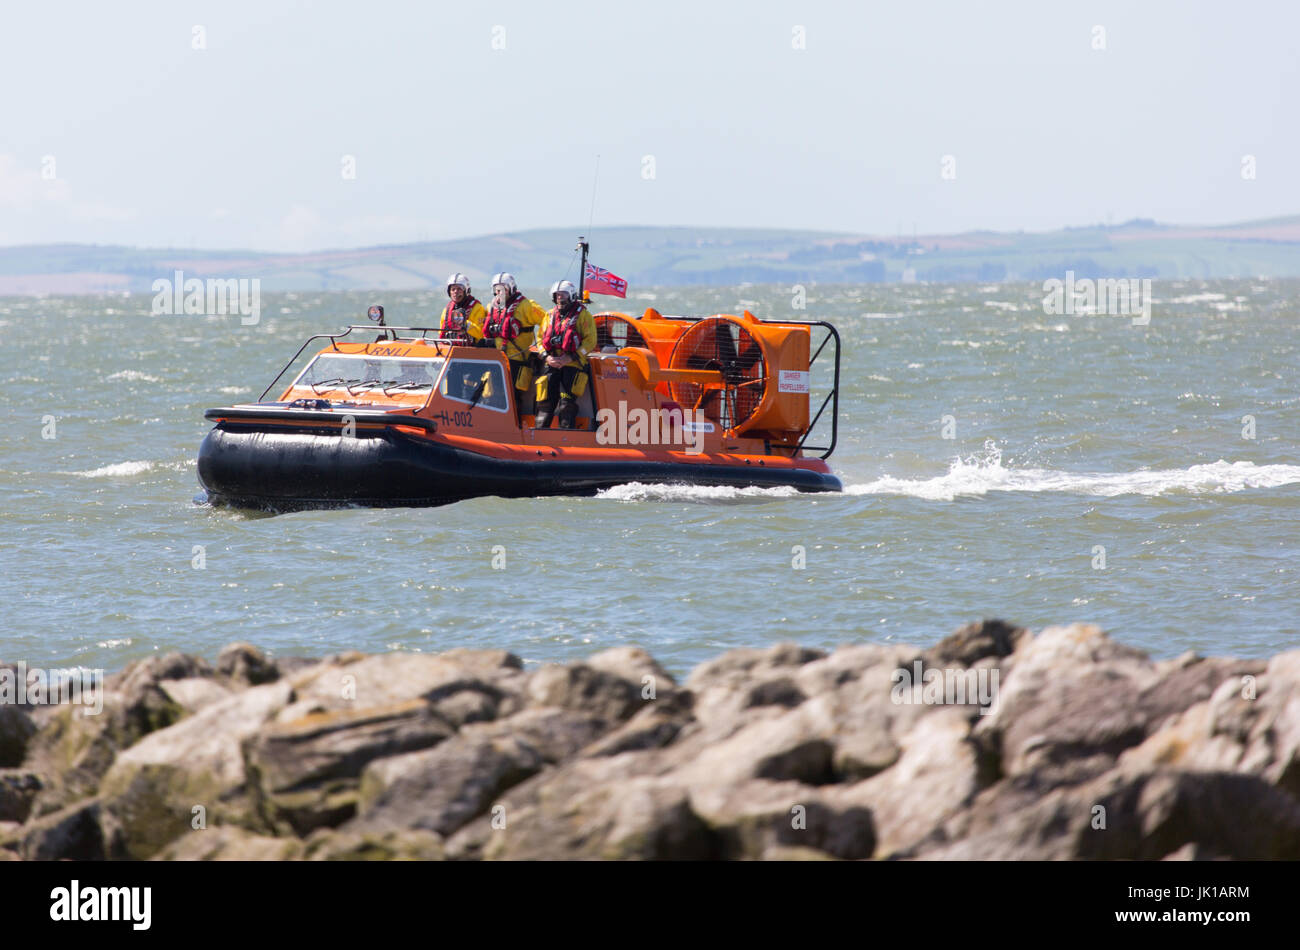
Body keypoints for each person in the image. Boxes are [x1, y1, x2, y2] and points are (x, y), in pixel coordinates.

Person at [533, 279, 597, 429]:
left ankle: (566, 432)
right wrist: (547, 357)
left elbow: (590, 341)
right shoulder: (549, 316)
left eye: (563, 294)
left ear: (572, 296)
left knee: (566, 402)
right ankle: (540, 431)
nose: (560, 298)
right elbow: (541, 338)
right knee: (545, 400)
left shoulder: (583, 316)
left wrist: (571, 357)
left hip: (573, 364)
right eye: (557, 295)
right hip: (552, 362)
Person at [482, 272, 547, 396]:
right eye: (497, 289)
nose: (500, 292)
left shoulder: (527, 306)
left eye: (504, 289)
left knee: (513, 397)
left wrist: (543, 347)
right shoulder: (491, 307)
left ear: (511, 289)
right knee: (491, 397)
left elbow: (548, 323)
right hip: (496, 359)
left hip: (518, 360)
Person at [439, 273, 486, 345]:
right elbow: (441, 333)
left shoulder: (477, 308)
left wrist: (465, 324)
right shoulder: (447, 310)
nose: (455, 292)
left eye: (459, 289)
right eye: (453, 289)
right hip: (450, 349)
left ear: (466, 291)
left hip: (471, 350)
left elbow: (481, 334)